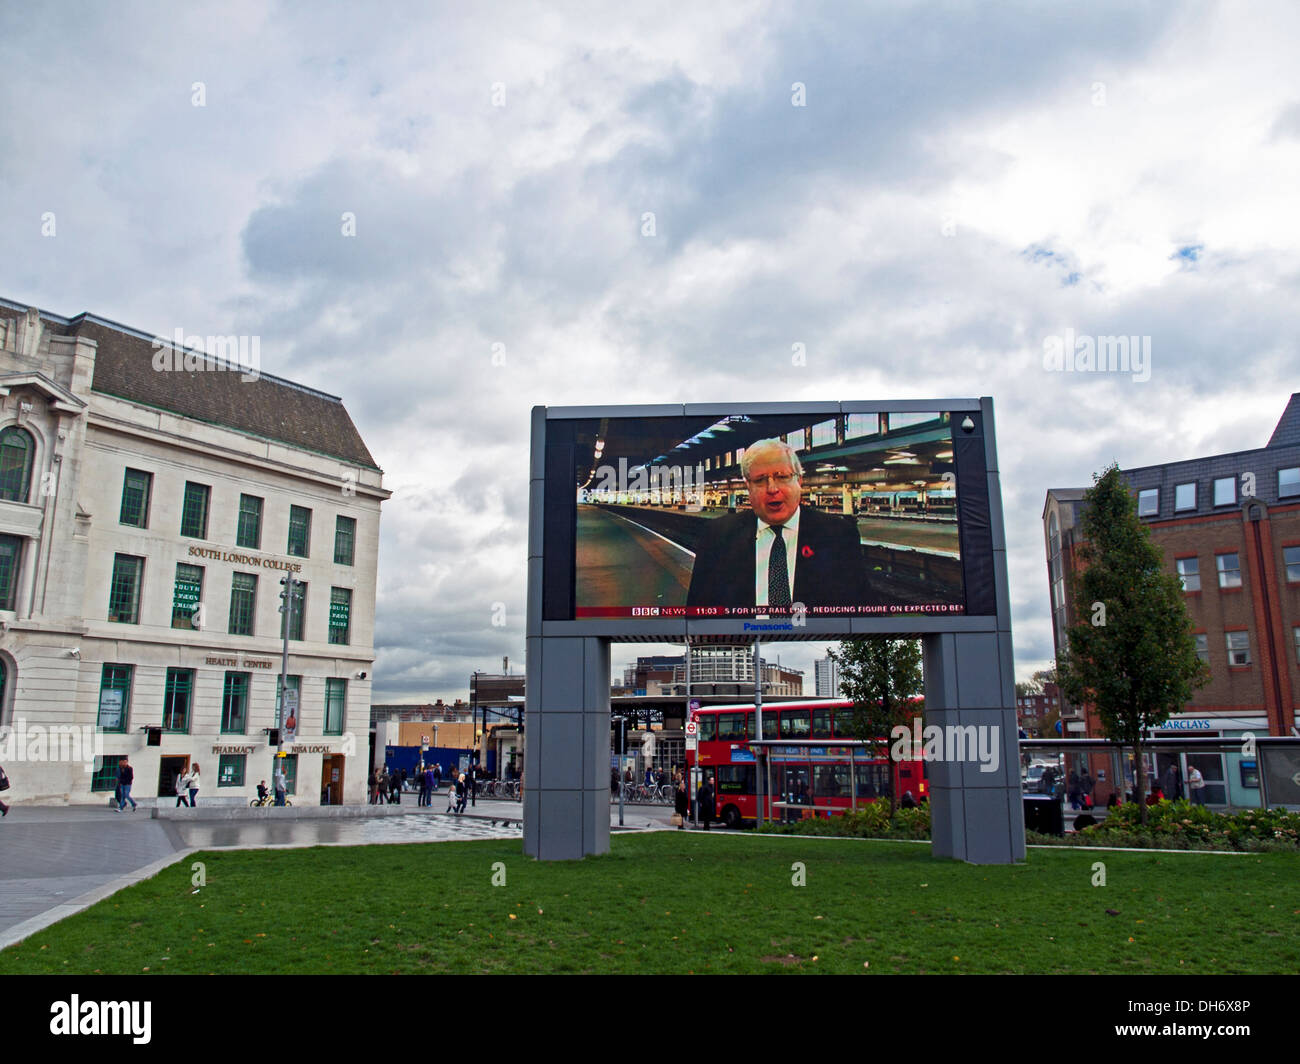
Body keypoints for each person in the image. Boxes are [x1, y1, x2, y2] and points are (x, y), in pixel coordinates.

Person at [686, 439, 869, 611]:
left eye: (782, 477)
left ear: (799, 481)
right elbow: (697, 615)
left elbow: (862, 615)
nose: (772, 489)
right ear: (748, 486)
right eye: (759, 480)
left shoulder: (839, 535)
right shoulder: (716, 536)